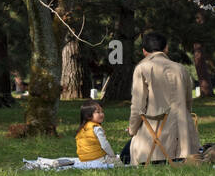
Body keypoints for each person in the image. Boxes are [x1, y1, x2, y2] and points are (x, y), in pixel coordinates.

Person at [124, 32, 200, 164]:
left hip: (153, 140)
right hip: (183, 140)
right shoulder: (181, 68)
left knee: (125, 156)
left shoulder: (142, 68)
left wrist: (132, 129)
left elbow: (137, 105)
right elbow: (188, 103)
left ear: (144, 51)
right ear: (166, 48)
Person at [73, 100, 118, 167]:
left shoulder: (81, 129)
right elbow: (105, 145)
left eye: (102, 112)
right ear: (88, 116)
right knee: (120, 161)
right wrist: (112, 156)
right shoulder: (96, 128)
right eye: (98, 112)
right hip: (99, 159)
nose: (101, 114)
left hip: (84, 160)